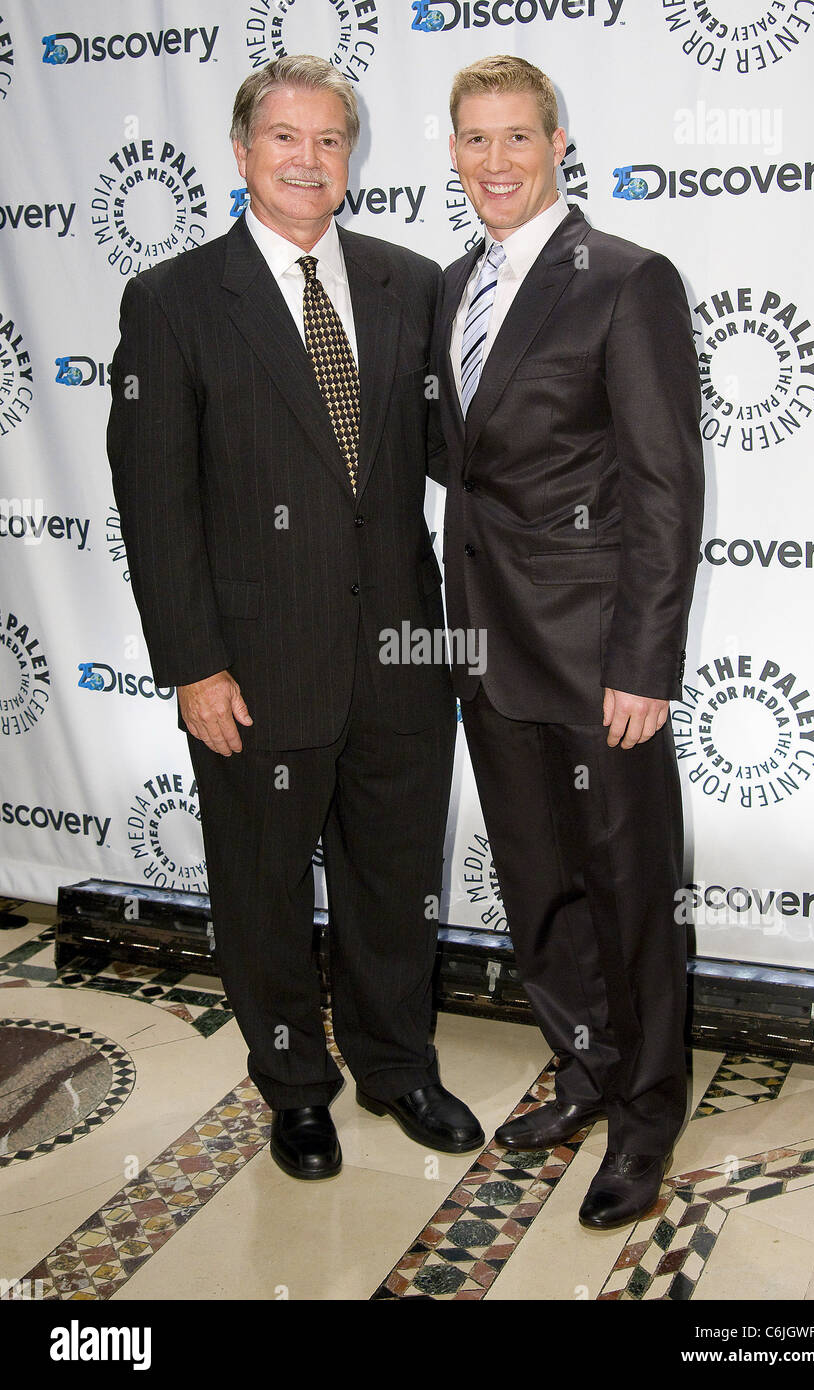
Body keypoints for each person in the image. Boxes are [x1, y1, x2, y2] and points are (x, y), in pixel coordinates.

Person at [107, 54, 483, 1182]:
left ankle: (396, 1064)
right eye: (284, 138)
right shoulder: (172, 298)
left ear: (349, 158)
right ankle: (294, 1085)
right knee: (263, 889)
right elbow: (154, 500)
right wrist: (191, 664)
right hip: (253, 666)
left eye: (329, 141)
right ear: (241, 152)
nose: (308, 160)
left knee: (390, 875)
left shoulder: (410, 282)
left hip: (400, 655)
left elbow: (455, 456)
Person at [435, 56, 704, 1229]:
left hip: (599, 659)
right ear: (452, 153)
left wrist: (643, 663)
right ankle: (585, 1068)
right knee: (538, 888)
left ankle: (645, 1111)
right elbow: (470, 463)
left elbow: (661, 488)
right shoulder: (449, 287)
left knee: (628, 890)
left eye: (515, 138)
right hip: (485, 650)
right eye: (473, 141)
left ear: (556, 144)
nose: (494, 162)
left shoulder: (626, 279)